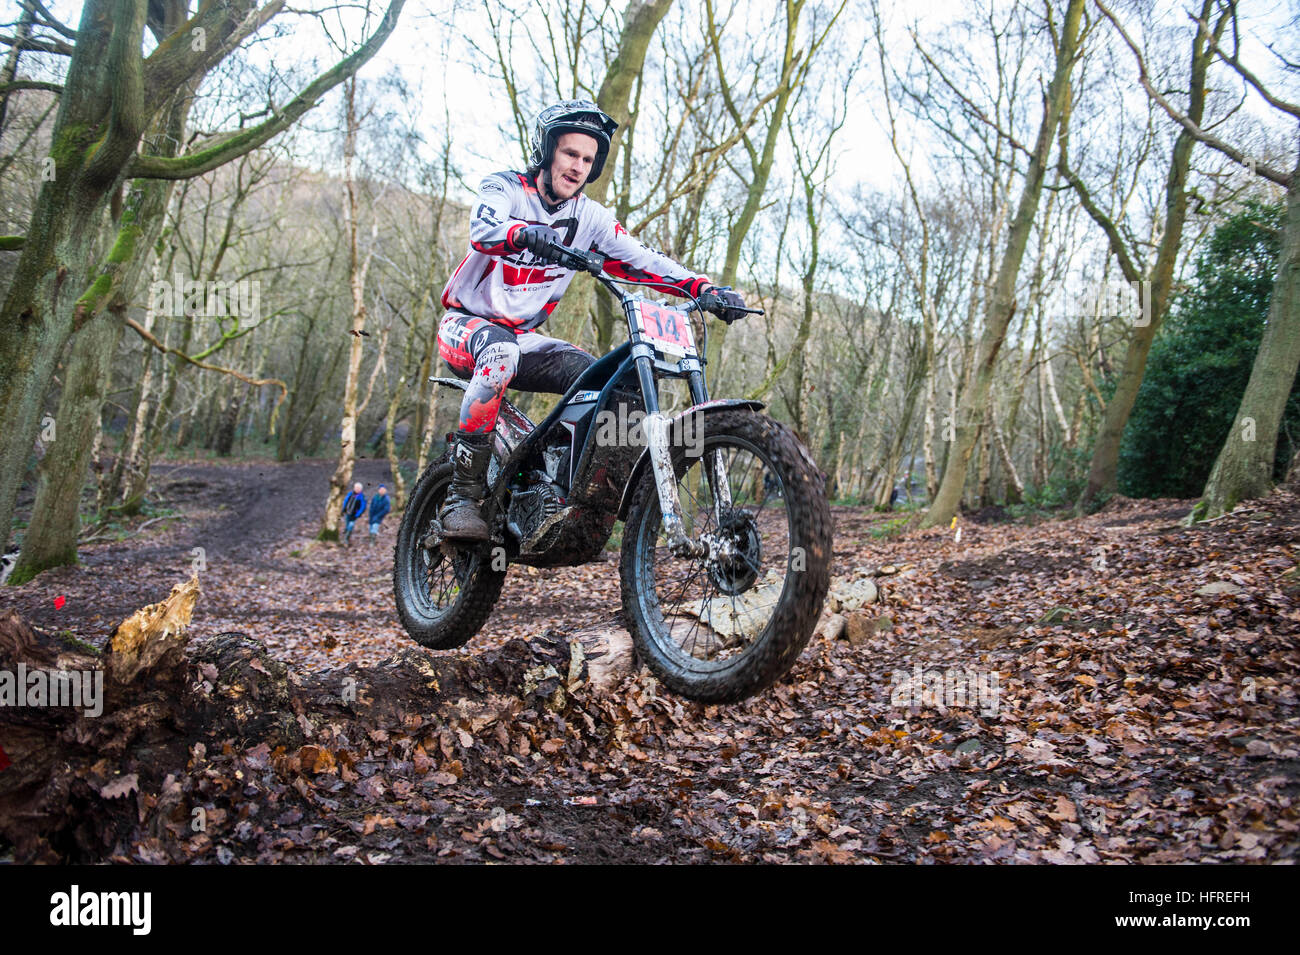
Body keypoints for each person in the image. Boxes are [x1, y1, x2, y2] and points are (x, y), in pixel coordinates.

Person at [436, 99, 748, 540]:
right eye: (569, 153)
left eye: (587, 159)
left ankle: (559, 486)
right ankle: (462, 496)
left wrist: (702, 288)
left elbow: (642, 259)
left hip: (523, 339)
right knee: (500, 350)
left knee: (603, 379)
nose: (577, 166)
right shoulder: (504, 188)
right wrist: (522, 233)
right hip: (465, 325)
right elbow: (482, 229)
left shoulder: (590, 218)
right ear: (547, 152)